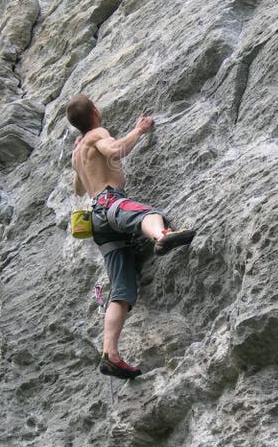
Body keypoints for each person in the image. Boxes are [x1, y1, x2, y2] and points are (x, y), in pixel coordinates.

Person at [67, 94, 195, 379]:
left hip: (98, 225)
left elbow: (78, 189)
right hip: (109, 203)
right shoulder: (96, 133)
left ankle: (109, 353)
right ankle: (162, 235)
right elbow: (113, 150)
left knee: (121, 290)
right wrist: (139, 129)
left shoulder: (77, 152)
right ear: (96, 112)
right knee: (146, 214)